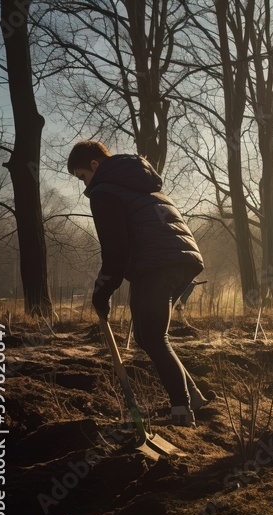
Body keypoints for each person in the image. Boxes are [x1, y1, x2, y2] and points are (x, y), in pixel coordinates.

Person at [69, 140, 211, 428]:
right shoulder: (140, 182)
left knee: (154, 338)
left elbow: (115, 251)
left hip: (156, 264)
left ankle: (182, 412)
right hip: (181, 260)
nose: (84, 185)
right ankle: (193, 398)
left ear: (94, 165)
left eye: (82, 176)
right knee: (150, 337)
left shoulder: (105, 191)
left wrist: (102, 291)